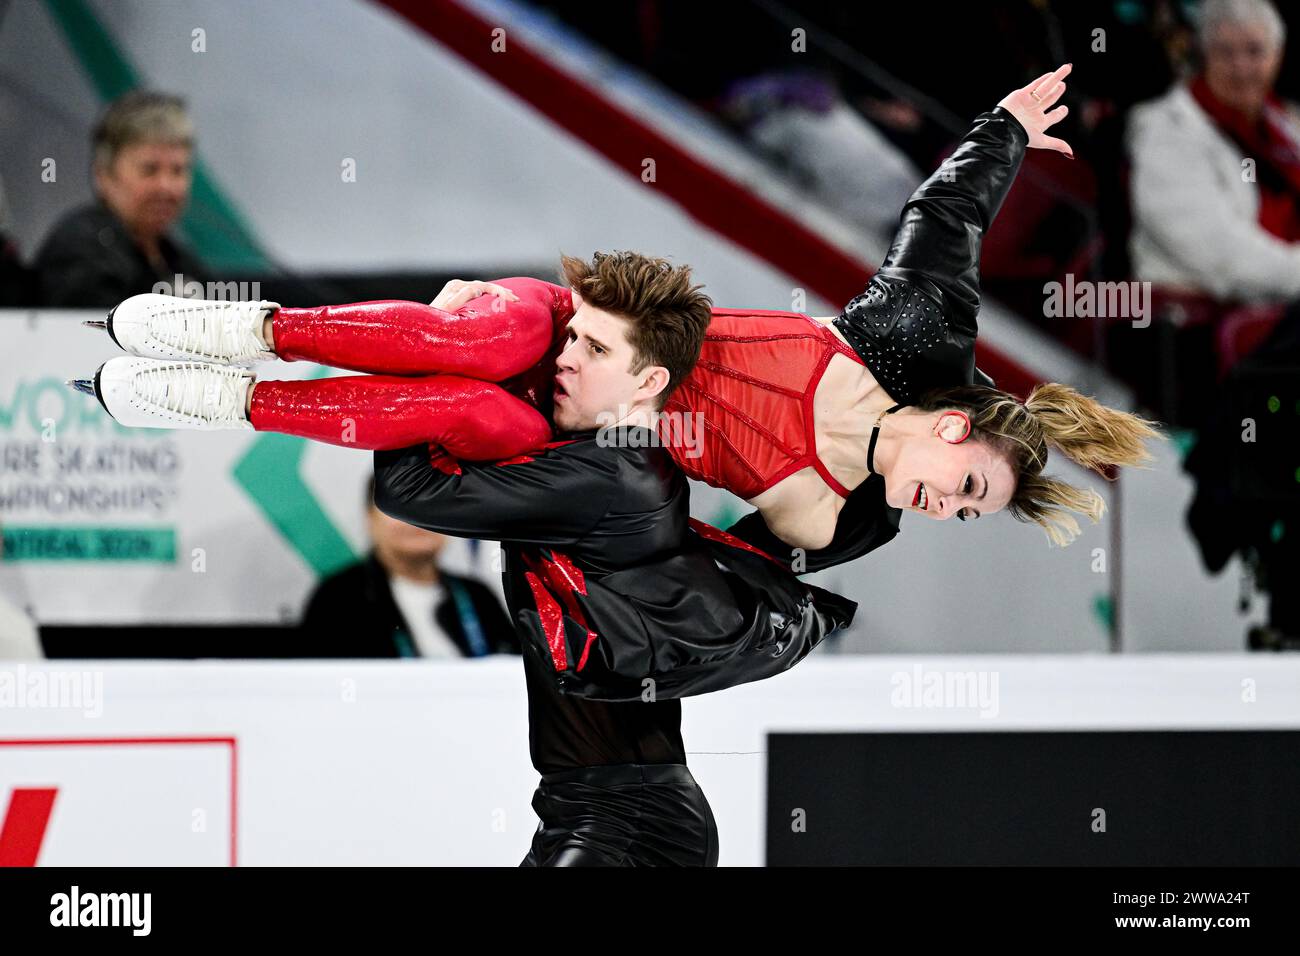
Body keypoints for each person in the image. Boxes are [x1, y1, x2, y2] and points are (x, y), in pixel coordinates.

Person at [77, 65, 1161, 578]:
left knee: (476, 413)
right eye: (964, 490)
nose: (940, 506)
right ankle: (259, 331)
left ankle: (230, 398)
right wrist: (1005, 130)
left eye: (961, 517)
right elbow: (945, 218)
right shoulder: (908, 336)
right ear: (957, 432)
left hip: (575, 430)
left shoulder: (835, 525)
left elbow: (691, 571)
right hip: (569, 332)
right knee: (485, 346)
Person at [299, 475, 518, 658]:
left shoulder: (479, 597)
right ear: (370, 519)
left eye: (431, 506)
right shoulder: (337, 600)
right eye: (399, 508)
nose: (415, 520)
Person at [33, 91, 206, 308]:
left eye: (178, 170)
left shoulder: (179, 260)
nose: (166, 187)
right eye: (149, 170)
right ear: (103, 175)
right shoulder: (81, 251)